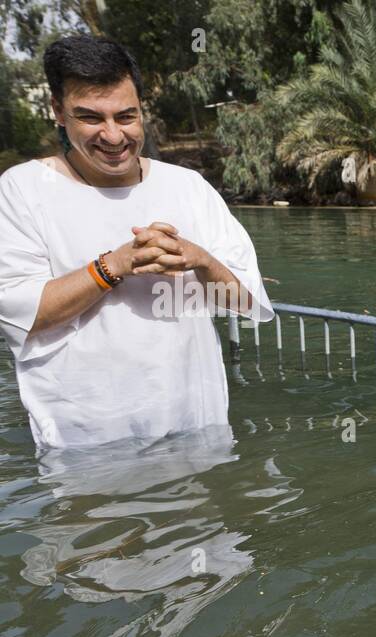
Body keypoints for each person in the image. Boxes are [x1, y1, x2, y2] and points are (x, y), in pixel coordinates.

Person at [0, 35, 273, 450]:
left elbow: (247, 303)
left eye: (126, 116)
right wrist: (114, 266)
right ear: (58, 111)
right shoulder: (22, 190)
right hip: (86, 443)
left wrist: (200, 260)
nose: (113, 136)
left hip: (197, 428)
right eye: (91, 118)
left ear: (142, 109)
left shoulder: (189, 187)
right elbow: (24, 314)